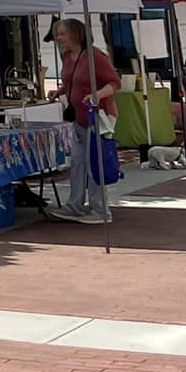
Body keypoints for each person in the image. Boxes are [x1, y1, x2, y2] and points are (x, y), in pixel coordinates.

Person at [46, 17, 120, 223]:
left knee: (94, 162)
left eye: (63, 34)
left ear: (76, 34)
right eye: (58, 34)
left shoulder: (96, 57)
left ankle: (100, 210)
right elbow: (72, 81)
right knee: (77, 163)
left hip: (98, 117)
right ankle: (75, 205)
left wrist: (97, 95)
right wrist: (61, 91)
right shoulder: (67, 56)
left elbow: (115, 83)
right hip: (79, 117)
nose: (59, 38)